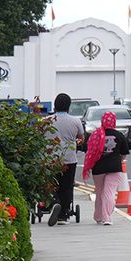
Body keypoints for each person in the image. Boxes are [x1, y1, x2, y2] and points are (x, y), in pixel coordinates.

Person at [83, 111, 129, 225]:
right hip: (115, 167)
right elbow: (124, 153)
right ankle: (107, 217)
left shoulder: (96, 135)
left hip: (98, 168)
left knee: (100, 192)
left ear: (102, 121)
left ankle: (98, 216)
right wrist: (119, 160)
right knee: (109, 193)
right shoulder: (119, 135)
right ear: (114, 121)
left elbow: (89, 151)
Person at [46, 93, 82, 226]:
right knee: (67, 186)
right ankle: (63, 215)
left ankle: (55, 203)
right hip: (69, 158)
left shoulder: (46, 120)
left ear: (55, 105)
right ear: (69, 106)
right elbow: (81, 138)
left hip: (50, 159)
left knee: (50, 185)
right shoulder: (75, 121)